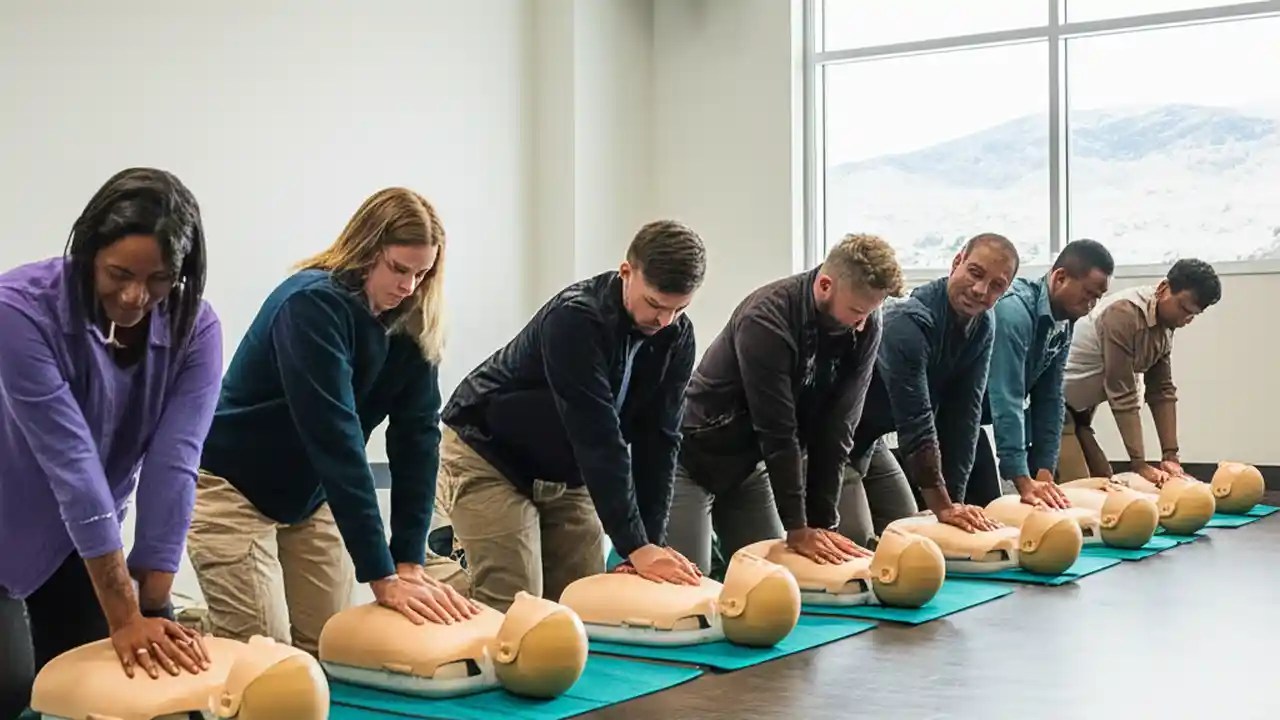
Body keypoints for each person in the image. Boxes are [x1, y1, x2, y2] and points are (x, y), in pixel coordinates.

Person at [187, 188, 476, 658]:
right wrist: (379, 574)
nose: (408, 286)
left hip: (309, 495)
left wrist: (408, 561)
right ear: (366, 252)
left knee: (332, 646)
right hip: (232, 488)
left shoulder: (413, 320)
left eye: (421, 274)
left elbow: (417, 439)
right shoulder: (310, 307)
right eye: (398, 269)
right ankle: (205, 631)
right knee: (270, 661)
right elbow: (335, 437)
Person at [0, 168, 219, 717]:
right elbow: (71, 462)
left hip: (74, 539)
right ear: (88, 251)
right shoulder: (18, 310)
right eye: (118, 273)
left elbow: (175, 465)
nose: (134, 296)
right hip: (15, 511)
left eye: (160, 280)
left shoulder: (197, 330)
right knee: (10, 687)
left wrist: (153, 606)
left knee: (97, 690)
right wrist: (124, 615)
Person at [437, 220, 707, 612]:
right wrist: (635, 545)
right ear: (626, 273)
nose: (664, 321)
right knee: (516, 602)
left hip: (566, 469)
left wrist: (651, 544)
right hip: (488, 453)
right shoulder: (575, 318)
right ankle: (437, 572)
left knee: (581, 600)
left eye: (679, 309)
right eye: (654, 304)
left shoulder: (677, 336)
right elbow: (597, 435)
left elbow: (660, 440)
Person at [669, 233, 905, 573]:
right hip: (692, 456)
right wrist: (797, 527)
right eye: (855, 311)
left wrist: (823, 523)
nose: (862, 323)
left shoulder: (865, 323)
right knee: (690, 580)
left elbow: (839, 427)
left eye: (870, 312)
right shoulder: (766, 317)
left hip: (749, 465)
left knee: (774, 578)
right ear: (825, 285)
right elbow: (778, 430)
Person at [837, 233, 1019, 542]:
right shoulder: (908, 322)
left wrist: (955, 504)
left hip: (869, 441)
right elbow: (916, 422)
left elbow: (964, 418)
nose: (980, 290)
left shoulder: (982, 324)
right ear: (956, 262)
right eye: (975, 273)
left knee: (912, 531)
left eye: (996, 286)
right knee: (857, 543)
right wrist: (943, 507)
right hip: (831, 439)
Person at [966, 239, 1115, 508]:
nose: (1091, 304)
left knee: (996, 506)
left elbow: (1050, 398)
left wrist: (1045, 470)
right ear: (1060, 277)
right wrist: (1022, 479)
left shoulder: (1063, 322)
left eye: (1097, 298)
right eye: (1088, 294)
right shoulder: (1014, 312)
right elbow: (1007, 396)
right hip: (942, 417)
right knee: (983, 508)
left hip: (971, 419)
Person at [1057, 258, 1221, 486]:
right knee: (1082, 489)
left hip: (1079, 414)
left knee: (1107, 481)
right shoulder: (1125, 313)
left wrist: (1170, 456)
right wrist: (1139, 464)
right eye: (1183, 308)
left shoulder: (1165, 326)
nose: (1185, 320)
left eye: (1193, 315)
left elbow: (1161, 391)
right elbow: (1121, 391)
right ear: (1164, 287)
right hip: (1052, 409)